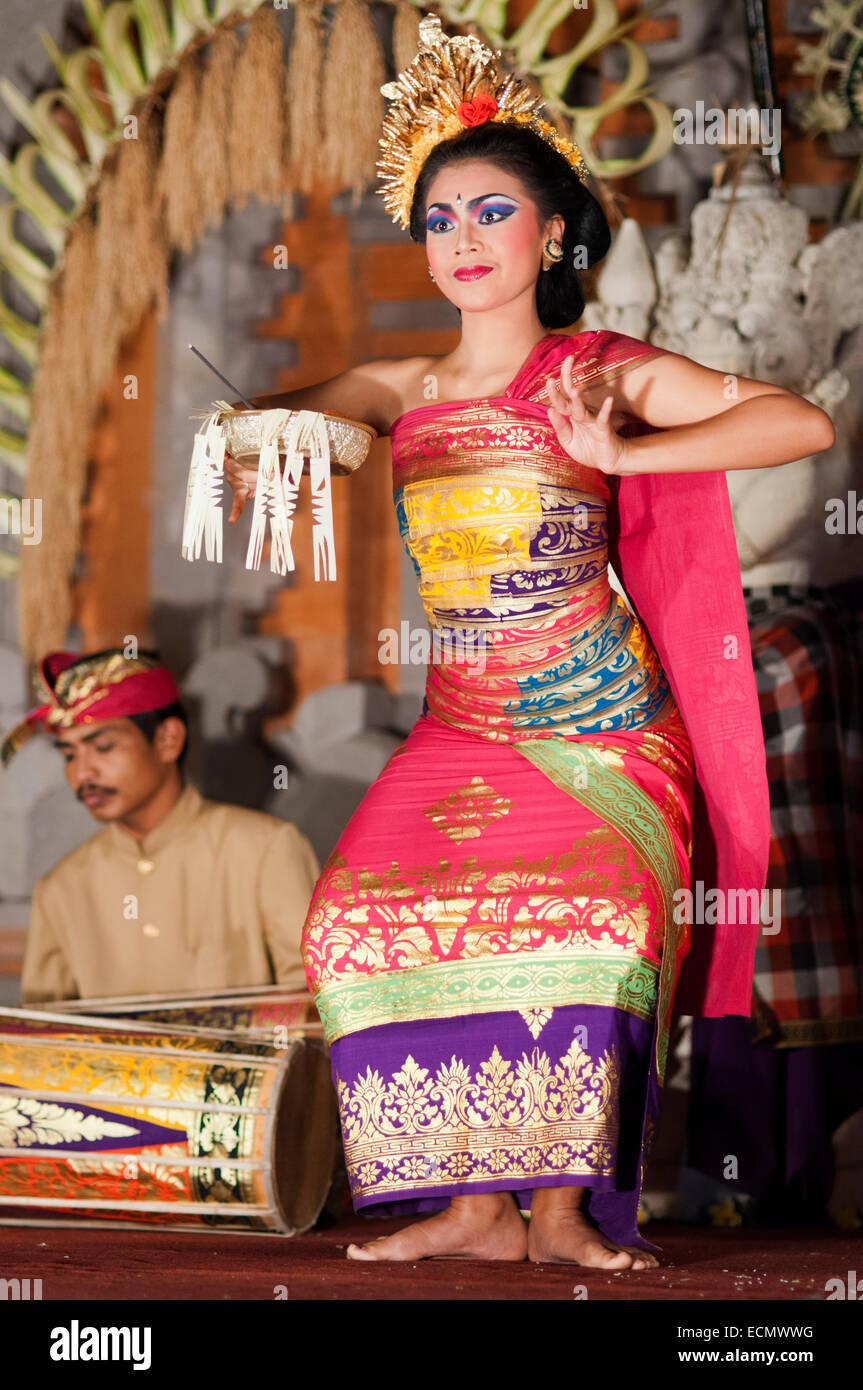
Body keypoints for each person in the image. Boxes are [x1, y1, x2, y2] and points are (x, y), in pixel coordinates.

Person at [222, 17, 834, 1267]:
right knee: (350, 920)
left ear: (550, 231)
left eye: (488, 213)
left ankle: (556, 1213)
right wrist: (247, 429)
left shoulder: (596, 368)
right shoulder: (399, 390)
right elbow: (278, 425)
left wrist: (627, 450)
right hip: (460, 730)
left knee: (590, 916)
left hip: (599, 727)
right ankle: (470, 1206)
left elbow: (800, 426)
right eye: (439, 220)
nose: (461, 242)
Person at [2, 647, 319, 1004]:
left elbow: (312, 1020)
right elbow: (47, 1044)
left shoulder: (265, 851)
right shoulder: (61, 890)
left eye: (103, 747)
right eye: (70, 755)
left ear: (168, 740)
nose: (82, 773)